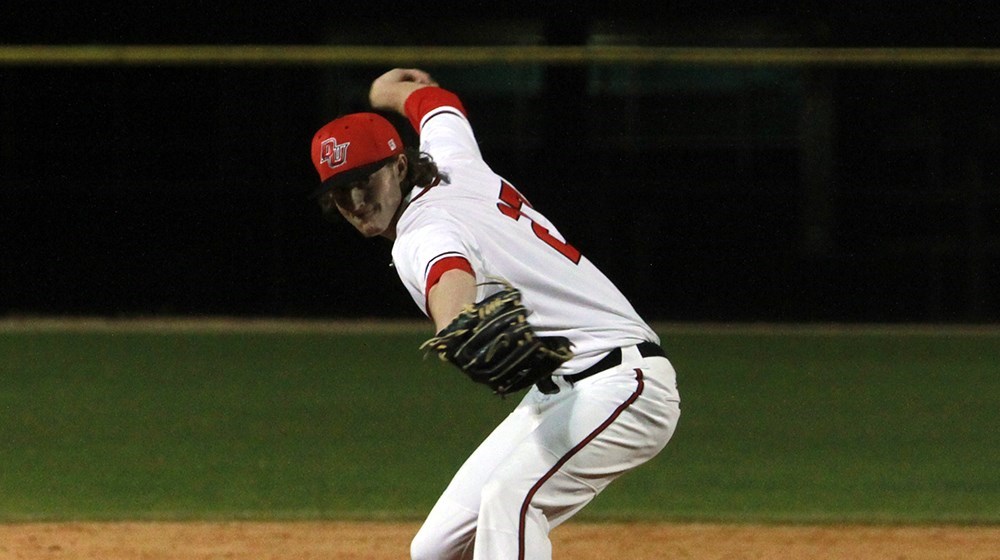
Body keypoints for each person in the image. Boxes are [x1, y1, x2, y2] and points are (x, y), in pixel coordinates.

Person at [310, 68, 681, 560]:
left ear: (398, 166)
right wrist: (387, 93)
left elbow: (449, 273)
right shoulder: (452, 158)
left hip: (623, 386)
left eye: (364, 181)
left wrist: (455, 325)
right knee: (436, 548)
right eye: (341, 191)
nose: (357, 202)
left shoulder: (422, 232)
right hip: (559, 393)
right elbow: (435, 104)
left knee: (513, 500)